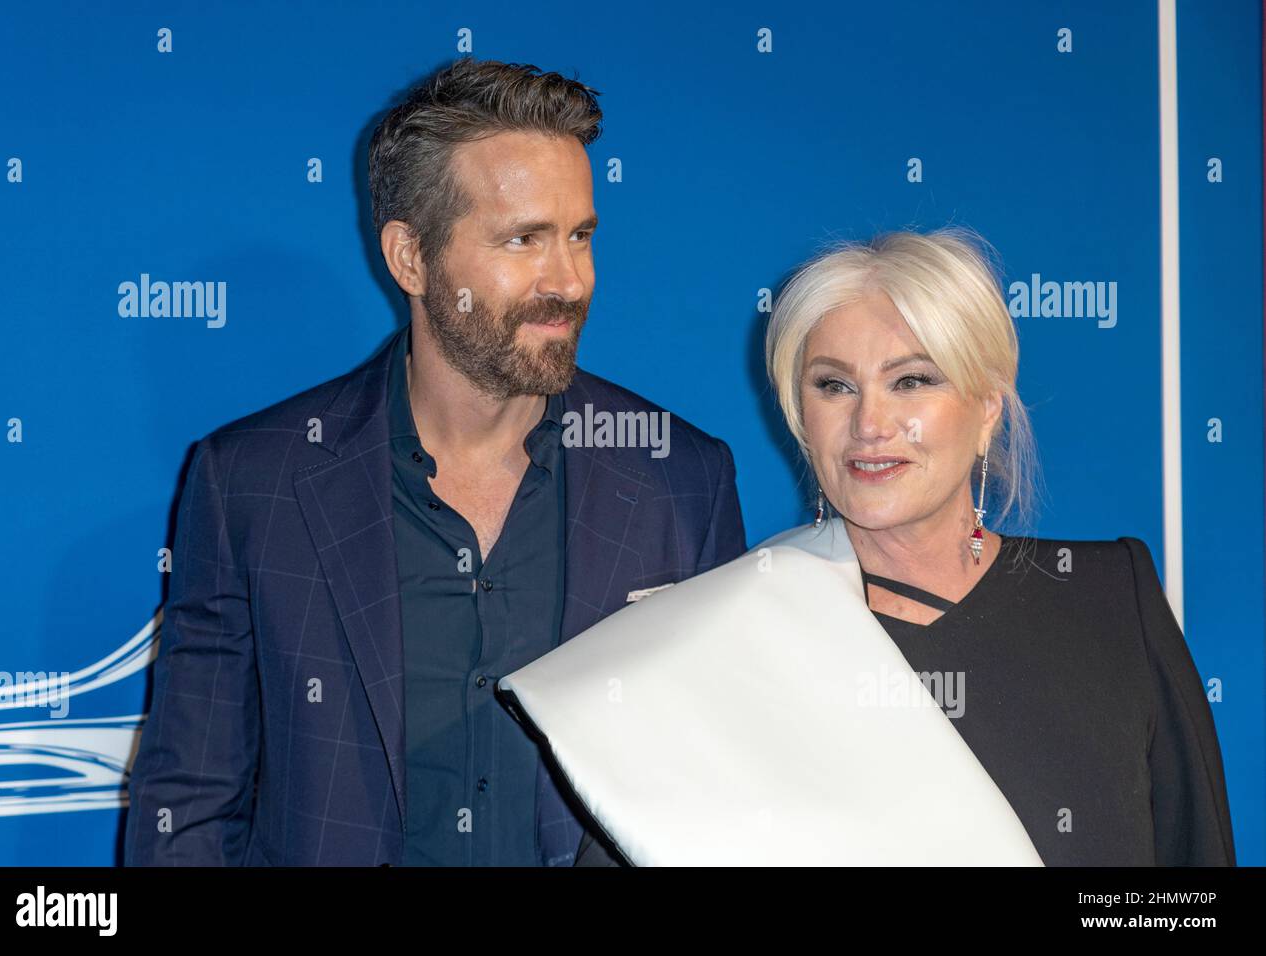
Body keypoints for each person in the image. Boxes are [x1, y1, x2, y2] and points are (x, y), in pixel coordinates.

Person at [123, 58, 746, 867]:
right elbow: (189, 812)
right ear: (410, 258)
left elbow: (716, 794)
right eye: (524, 239)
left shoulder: (680, 478)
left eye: (580, 236)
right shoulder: (252, 483)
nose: (569, 281)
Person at [552, 227, 1235, 866]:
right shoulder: (722, 645)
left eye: (912, 380)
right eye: (834, 386)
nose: (870, 422)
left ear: (987, 408)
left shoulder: (1113, 599)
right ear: (800, 419)